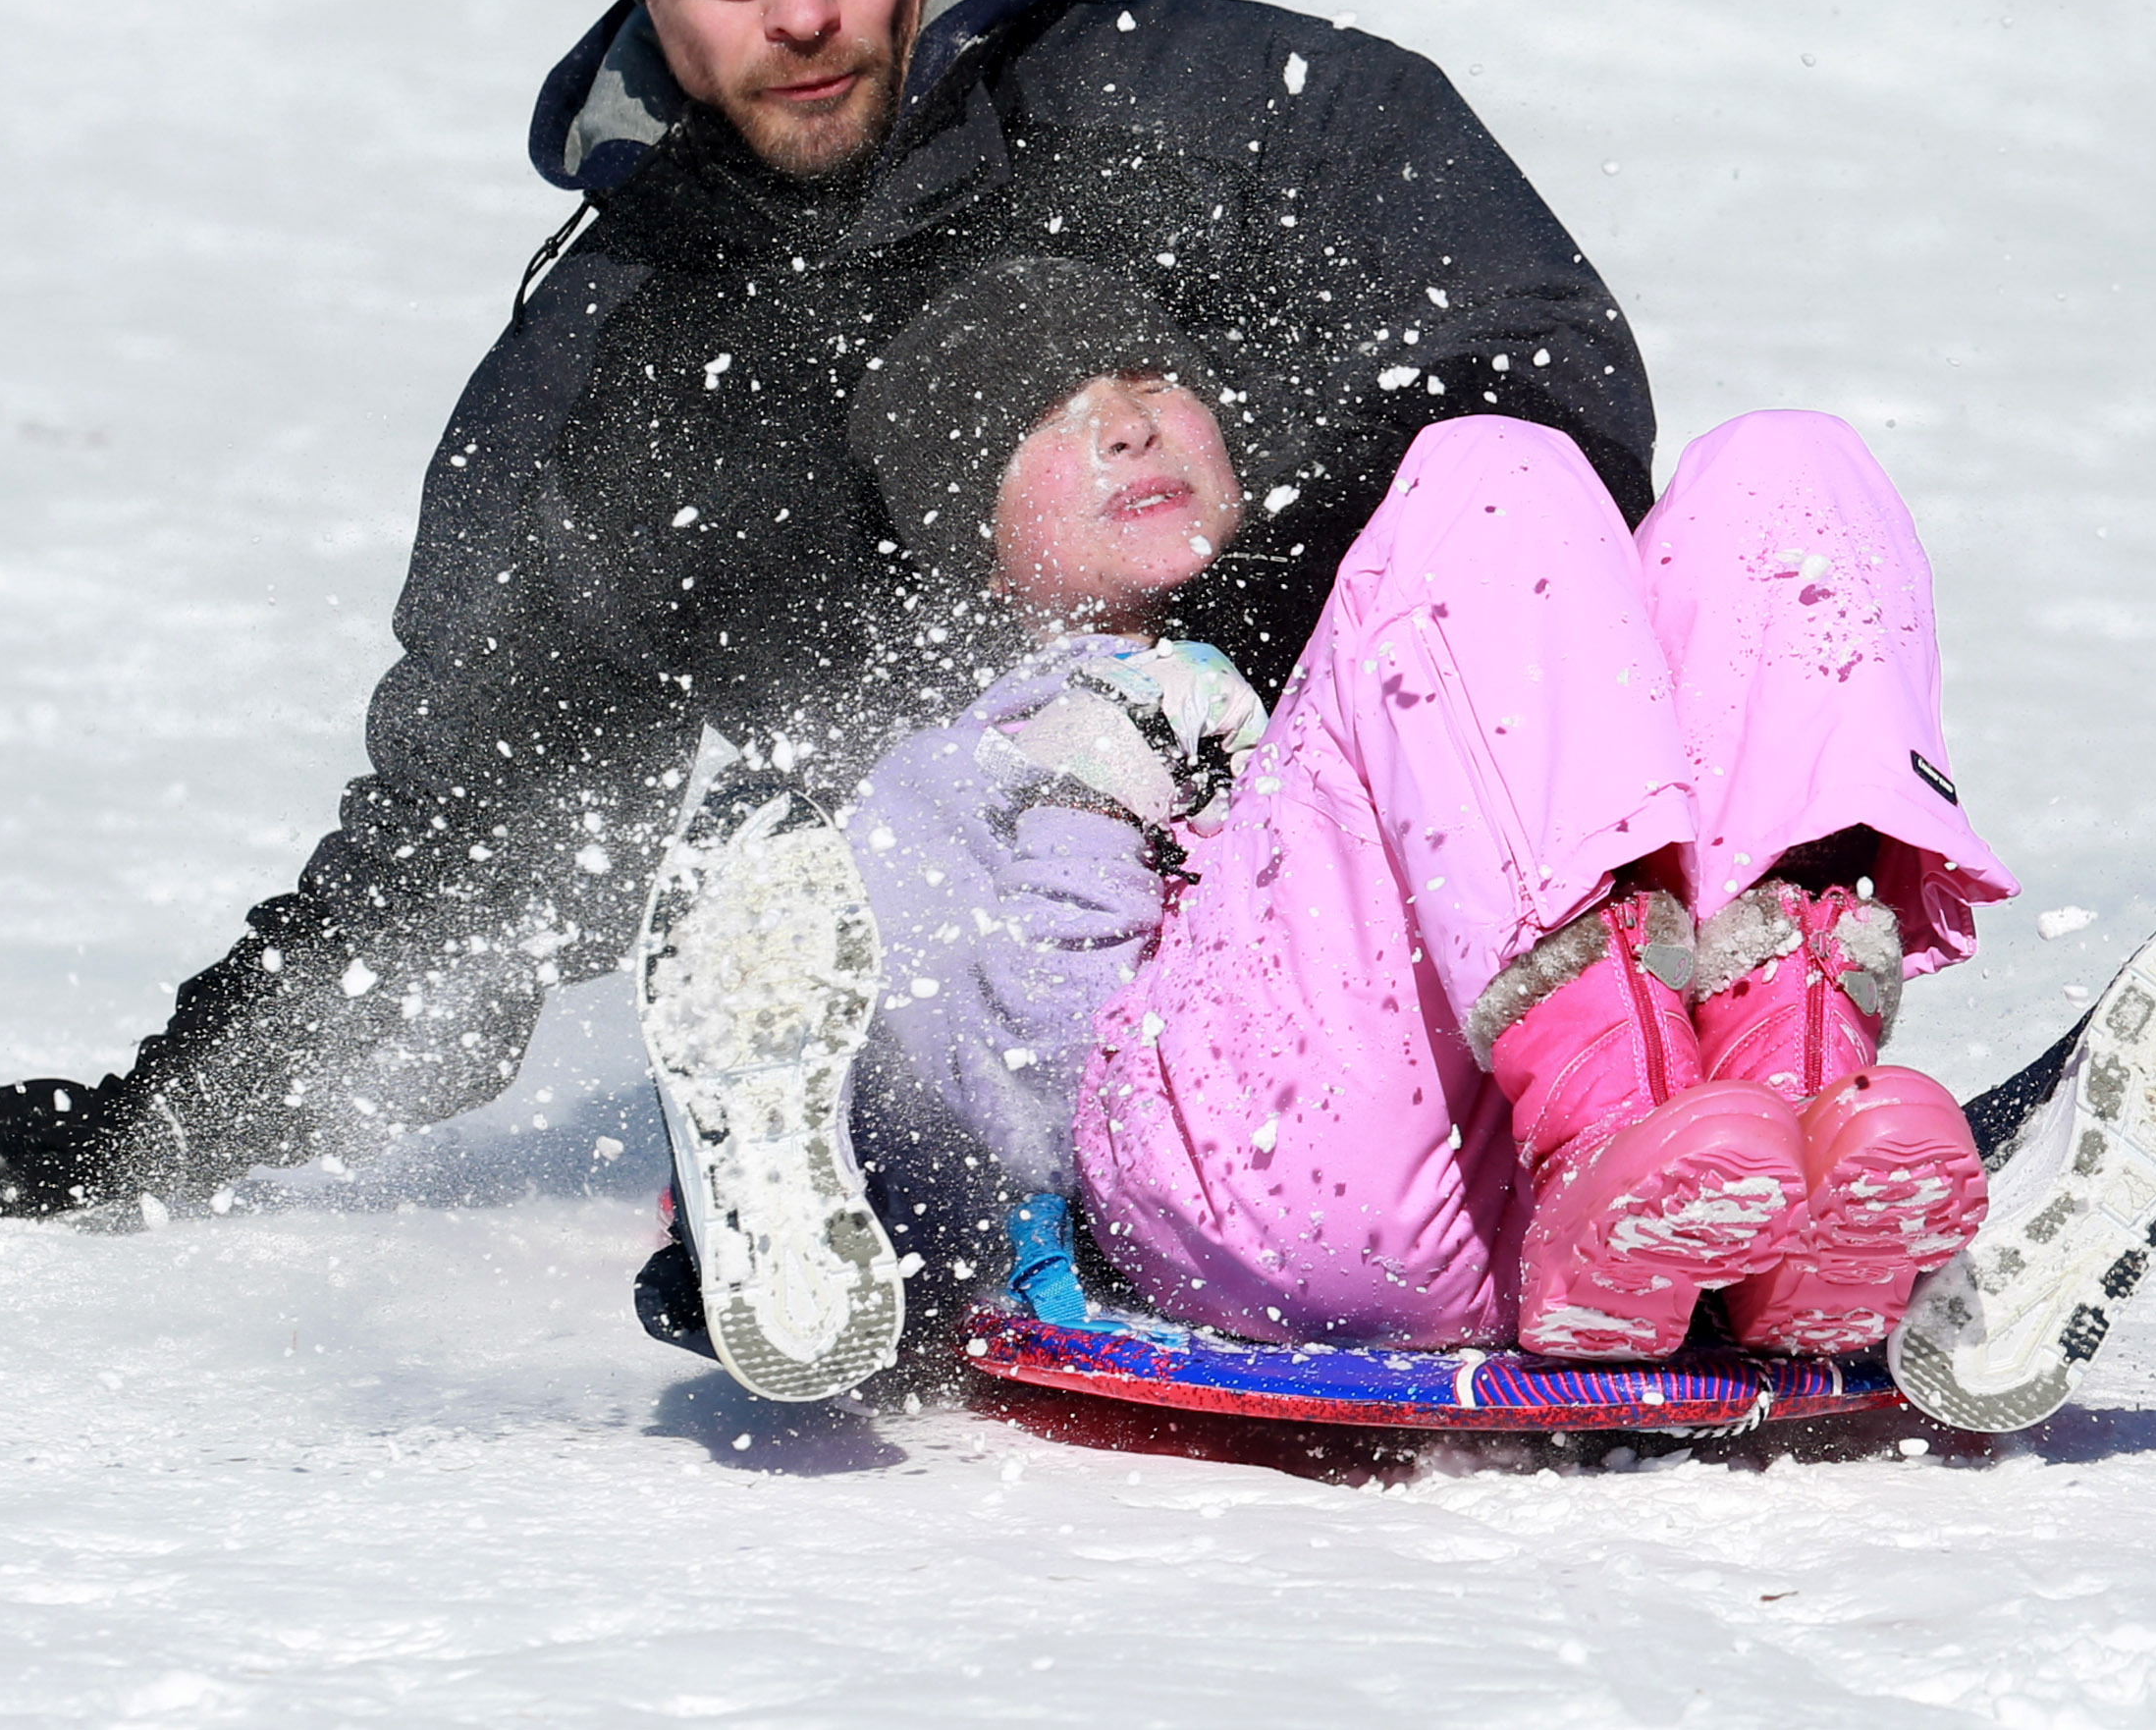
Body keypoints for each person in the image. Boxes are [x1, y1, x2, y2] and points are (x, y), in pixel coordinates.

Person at [0, 0, 1656, 1233]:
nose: (802, 3)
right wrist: (151, 1124)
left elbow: (1539, 391)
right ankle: (806, 1216)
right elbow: (471, 834)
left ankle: (1737, 1100)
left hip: (1429, 856)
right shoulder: (625, 372)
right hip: (1049, 986)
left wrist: (1217, 645)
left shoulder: (1225, 111)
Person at [811, 260, 2018, 1364]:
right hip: (1229, 1188)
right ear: (962, 536)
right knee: (1493, 469)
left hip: (1483, 1171)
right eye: (1044, 415)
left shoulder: (1302, 670)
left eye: (1146, 377)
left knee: (1789, 466)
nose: (1125, 421)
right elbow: (957, 1081)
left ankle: (1781, 1132)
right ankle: (1618, 1127)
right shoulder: (966, 752)